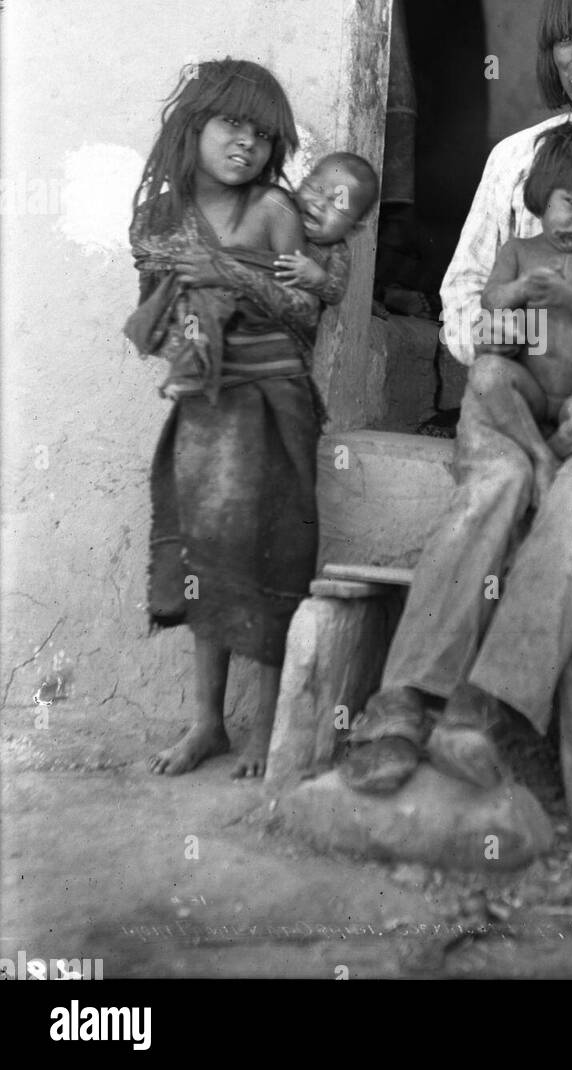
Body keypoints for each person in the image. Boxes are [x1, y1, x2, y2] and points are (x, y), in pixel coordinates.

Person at [343, 0, 572, 795]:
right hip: (508, 398)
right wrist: (513, 349)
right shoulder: (516, 158)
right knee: (494, 485)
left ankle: (482, 711)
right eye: (563, 41)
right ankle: (400, 704)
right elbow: (462, 295)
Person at [125, 60, 359, 779]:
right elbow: (154, 312)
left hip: (273, 400)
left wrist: (225, 272)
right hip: (205, 402)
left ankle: (263, 730)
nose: (246, 146)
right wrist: (184, 321)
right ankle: (207, 725)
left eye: (262, 136)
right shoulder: (161, 217)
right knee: (207, 558)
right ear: (194, 126)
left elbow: (305, 314)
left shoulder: (273, 211)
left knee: (268, 557)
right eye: (231, 126)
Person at [469, 117, 572, 503]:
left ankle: (552, 454)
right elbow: (491, 298)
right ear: (543, 196)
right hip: (529, 389)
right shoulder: (518, 251)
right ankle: (539, 453)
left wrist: (567, 295)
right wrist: (521, 288)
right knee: (487, 373)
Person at [274, 151, 379, 293]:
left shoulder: (337, 252)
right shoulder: (279, 207)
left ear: (353, 229)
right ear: (300, 185)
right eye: (314, 189)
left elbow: (336, 293)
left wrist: (320, 279)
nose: (320, 204)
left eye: (338, 205)